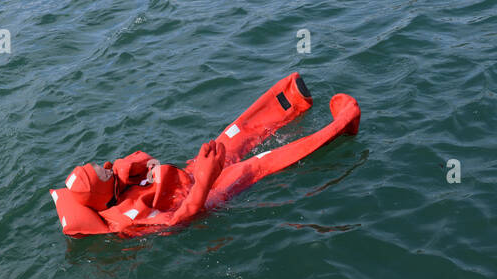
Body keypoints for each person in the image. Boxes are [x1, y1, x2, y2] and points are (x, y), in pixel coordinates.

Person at [51, 73, 360, 236]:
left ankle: (291, 98)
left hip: (189, 178)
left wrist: (160, 170)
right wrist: (205, 180)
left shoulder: (113, 185)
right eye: (101, 172)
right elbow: (181, 219)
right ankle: (342, 125)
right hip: (204, 197)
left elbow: (136, 166)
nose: (106, 166)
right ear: (101, 192)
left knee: (232, 137)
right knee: (259, 165)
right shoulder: (125, 220)